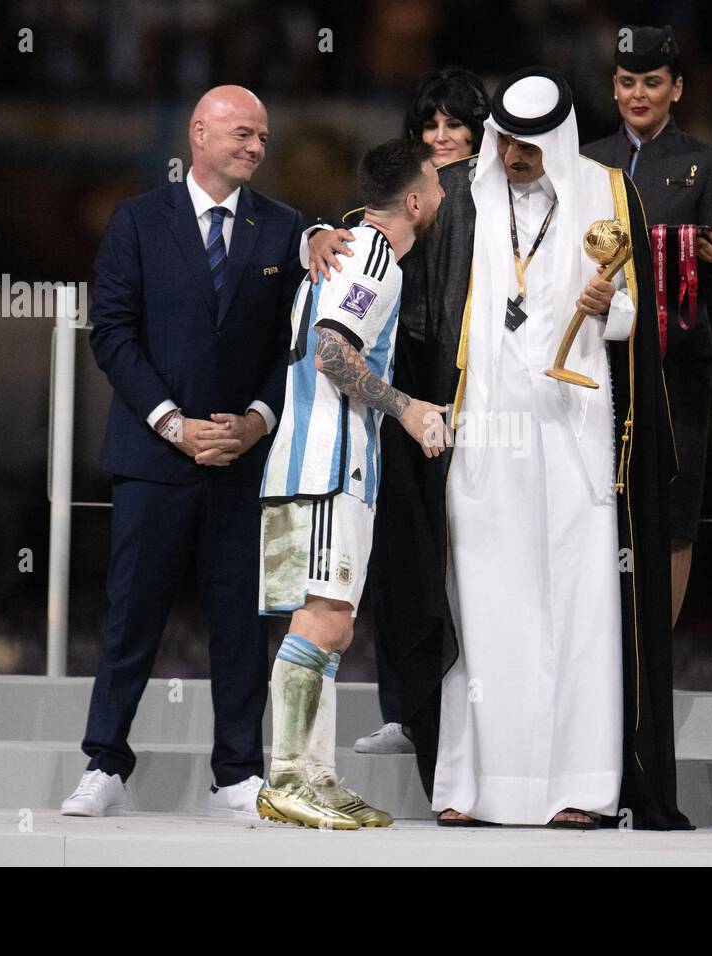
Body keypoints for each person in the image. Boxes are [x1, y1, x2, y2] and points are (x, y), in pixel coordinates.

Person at [309, 66, 684, 830]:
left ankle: (580, 789)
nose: (512, 156)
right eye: (505, 141)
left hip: (573, 429)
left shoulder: (608, 194)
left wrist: (609, 307)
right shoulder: (463, 193)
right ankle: (473, 787)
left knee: (578, 609)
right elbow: (383, 216)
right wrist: (315, 234)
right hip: (482, 431)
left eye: (528, 144)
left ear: (558, 139)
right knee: (484, 606)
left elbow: (633, 322)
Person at [62, 86, 304, 817]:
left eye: (262, 137)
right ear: (198, 133)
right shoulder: (137, 220)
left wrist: (257, 422)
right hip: (153, 460)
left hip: (243, 464)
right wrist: (174, 424)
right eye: (241, 133)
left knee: (240, 624)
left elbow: (290, 346)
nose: (255, 148)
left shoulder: (287, 227)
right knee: (132, 617)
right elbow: (112, 333)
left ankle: (237, 773)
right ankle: (104, 765)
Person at [254, 138, 448, 830]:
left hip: (316, 462)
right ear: (417, 200)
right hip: (329, 464)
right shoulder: (372, 258)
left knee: (329, 628)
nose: (444, 198)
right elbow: (334, 350)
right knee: (325, 620)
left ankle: (314, 774)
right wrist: (409, 407)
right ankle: (286, 777)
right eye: (438, 187)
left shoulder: (340, 249)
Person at [581, 24, 712, 626]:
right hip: (597, 360)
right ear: (613, 87)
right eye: (627, 82)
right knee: (598, 503)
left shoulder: (710, 164)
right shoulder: (586, 161)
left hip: (677, 365)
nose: (638, 94)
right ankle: (603, 655)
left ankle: (658, 654)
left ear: (678, 89)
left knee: (671, 511)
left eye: (652, 82)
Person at [355, 68, 490, 759]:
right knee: (399, 558)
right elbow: (357, 235)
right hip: (402, 401)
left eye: (454, 123)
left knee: (462, 559)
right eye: (430, 124)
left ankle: (456, 711)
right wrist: (317, 235)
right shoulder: (406, 198)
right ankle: (406, 712)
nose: (441, 136)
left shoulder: (497, 197)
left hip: (476, 402)